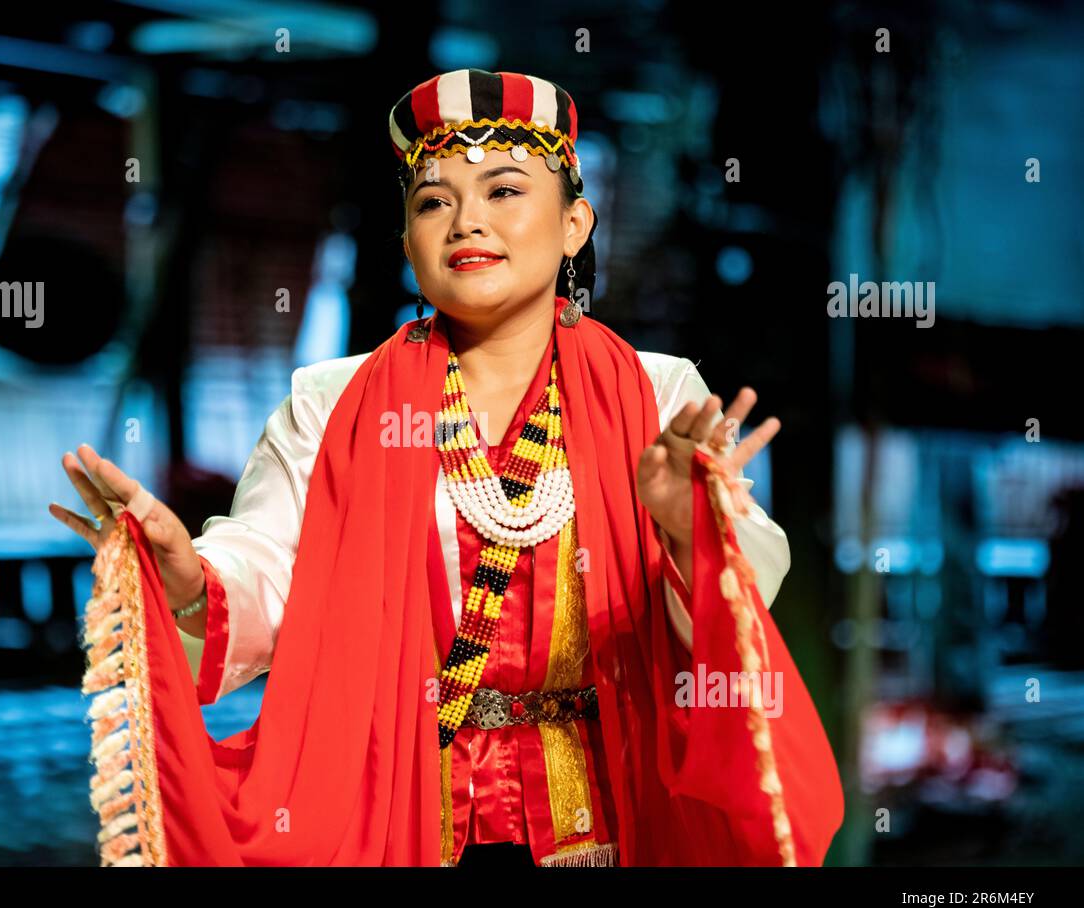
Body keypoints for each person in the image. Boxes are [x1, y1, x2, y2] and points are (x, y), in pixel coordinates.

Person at [49, 68, 843, 867]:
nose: (466, 221)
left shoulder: (657, 392)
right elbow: (267, 565)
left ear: (574, 223)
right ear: (406, 240)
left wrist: (686, 529)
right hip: (400, 811)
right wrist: (187, 578)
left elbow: (748, 593)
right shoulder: (333, 402)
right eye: (433, 201)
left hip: (608, 813)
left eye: (504, 191)